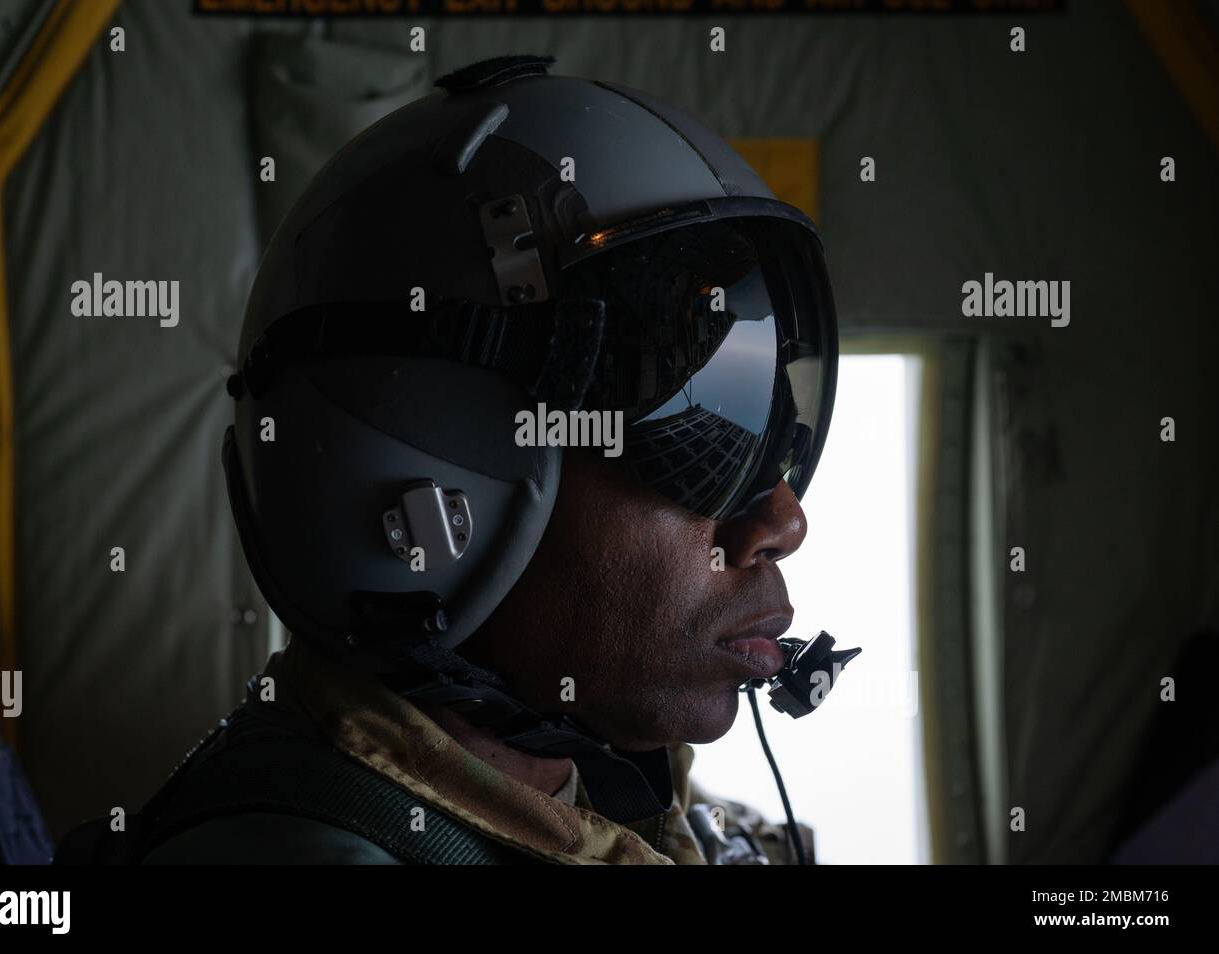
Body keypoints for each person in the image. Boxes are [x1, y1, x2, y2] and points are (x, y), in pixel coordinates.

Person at [56, 53, 843, 865]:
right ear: (434, 485)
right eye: (702, 442)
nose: (782, 521)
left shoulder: (605, 789)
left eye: (770, 436)